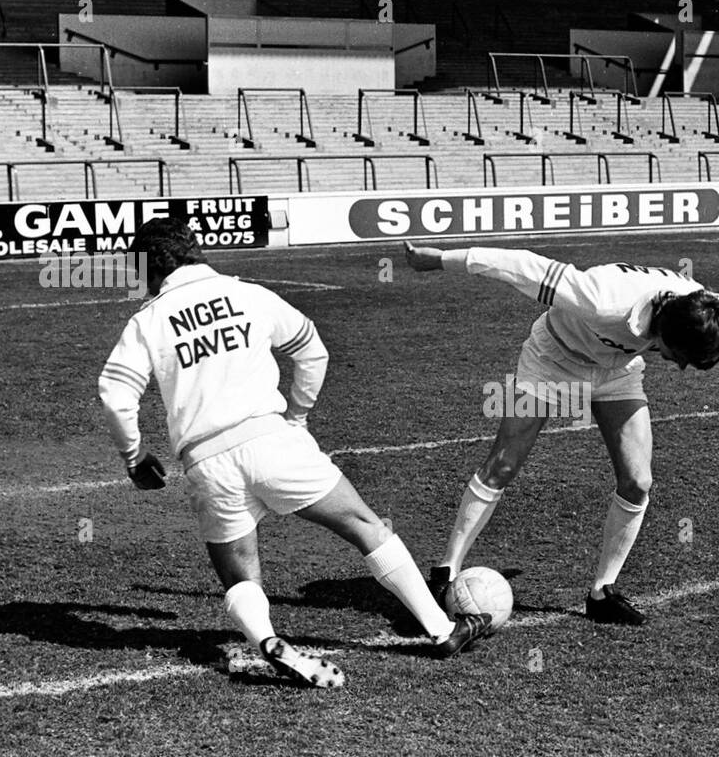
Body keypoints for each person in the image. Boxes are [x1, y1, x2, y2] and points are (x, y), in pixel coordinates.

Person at [97, 219, 490, 688]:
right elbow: (312, 351)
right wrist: (299, 416)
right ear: (195, 249)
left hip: (207, 460)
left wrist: (135, 459)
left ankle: (267, 642)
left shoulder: (147, 321)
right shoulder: (249, 294)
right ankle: (443, 630)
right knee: (366, 527)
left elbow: (114, 395)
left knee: (240, 575)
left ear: (144, 271)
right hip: (271, 439)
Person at [404, 241, 719, 626]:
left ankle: (602, 593)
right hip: (552, 359)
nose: (682, 368)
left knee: (638, 481)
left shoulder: (704, 307)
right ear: (665, 331)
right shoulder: (599, 297)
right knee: (503, 464)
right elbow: (521, 266)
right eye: (681, 357)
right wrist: (438, 260)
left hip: (617, 372)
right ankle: (446, 572)